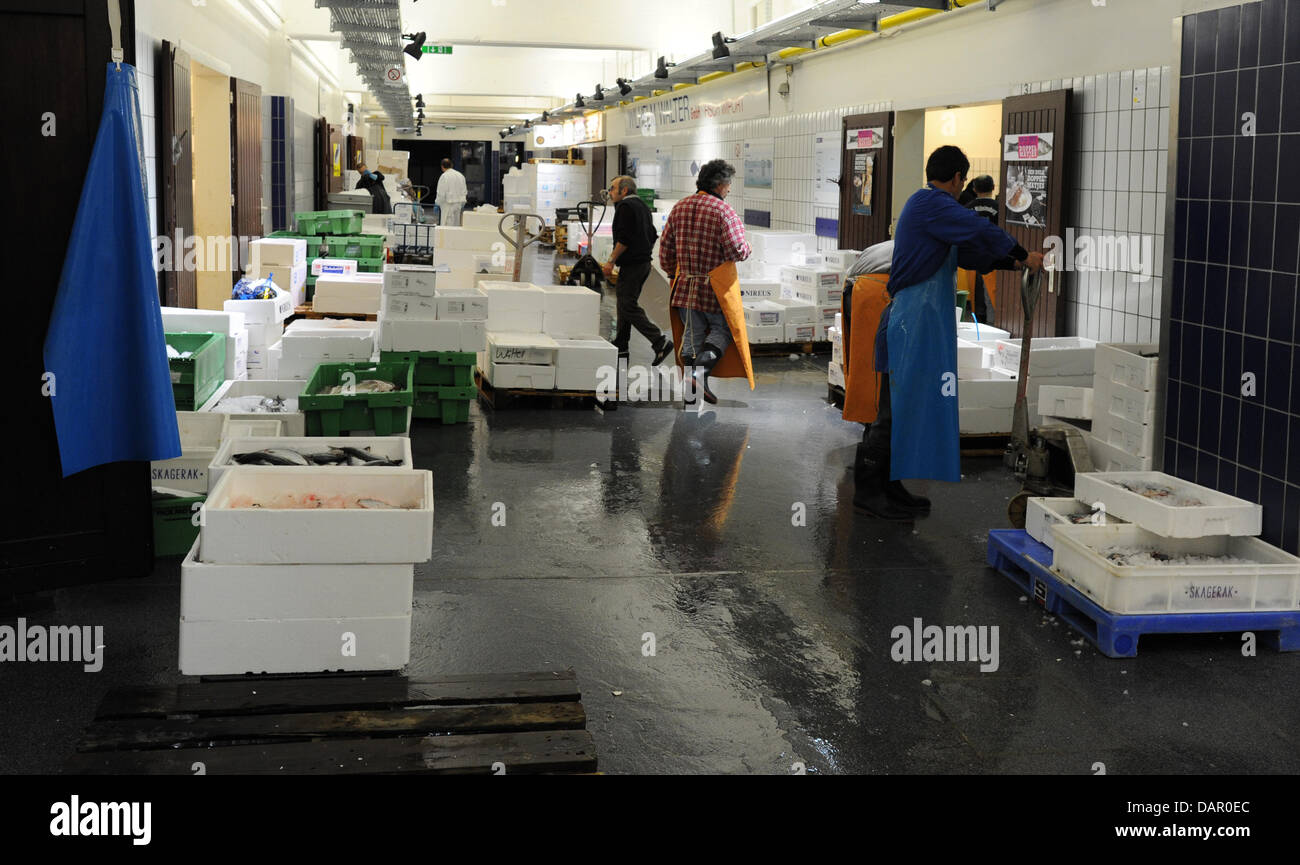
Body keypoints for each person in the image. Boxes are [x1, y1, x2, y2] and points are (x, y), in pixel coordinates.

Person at [852, 145, 1043, 520]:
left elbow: (969, 252)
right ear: (957, 178)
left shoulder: (930, 209)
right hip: (910, 323)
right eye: (962, 181)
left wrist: (1009, 262)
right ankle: (868, 490)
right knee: (894, 411)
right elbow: (977, 228)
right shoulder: (932, 203)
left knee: (909, 409)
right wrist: (1022, 254)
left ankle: (890, 485)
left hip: (923, 323)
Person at [659, 159, 754, 405]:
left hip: (684, 287)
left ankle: (691, 394)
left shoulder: (679, 207)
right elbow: (736, 251)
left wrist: (673, 274)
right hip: (714, 290)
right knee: (722, 331)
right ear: (721, 185)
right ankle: (700, 375)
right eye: (729, 184)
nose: (730, 189)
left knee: (691, 335)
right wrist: (747, 249)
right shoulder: (723, 211)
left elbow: (665, 251)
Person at [603, 175, 673, 365]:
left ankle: (659, 341)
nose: (610, 192)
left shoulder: (625, 207)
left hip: (633, 264)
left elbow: (623, 239)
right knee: (624, 302)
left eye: (612, 188)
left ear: (624, 190)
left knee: (628, 305)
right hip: (642, 263)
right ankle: (621, 344)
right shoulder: (642, 206)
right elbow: (652, 234)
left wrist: (610, 261)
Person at [959, 174, 999, 323]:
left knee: (976, 297)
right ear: (994, 188)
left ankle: (979, 326)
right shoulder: (999, 207)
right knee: (992, 297)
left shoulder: (967, 208)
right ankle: (993, 325)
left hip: (973, 258)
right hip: (994, 259)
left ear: (974, 189)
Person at [435, 158, 467, 226]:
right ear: (452, 165)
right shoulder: (460, 175)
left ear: (442, 167)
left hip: (448, 206)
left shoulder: (444, 176)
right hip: (458, 205)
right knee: (456, 226)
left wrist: (437, 203)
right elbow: (464, 191)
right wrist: (462, 203)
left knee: (447, 227)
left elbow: (441, 193)